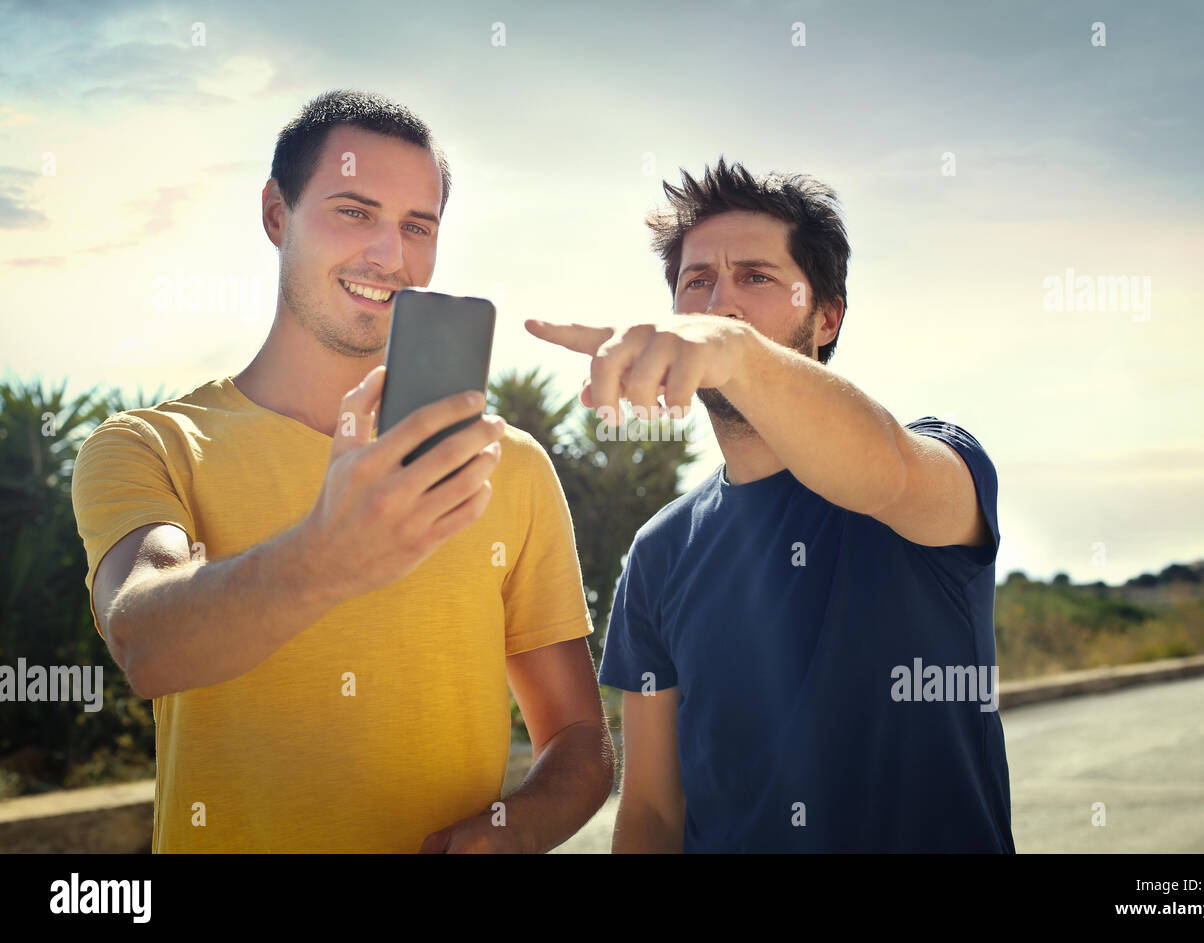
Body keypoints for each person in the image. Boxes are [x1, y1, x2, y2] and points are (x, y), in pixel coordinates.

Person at [70, 89, 613, 853]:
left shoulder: (505, 464)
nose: (391, 256)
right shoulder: (152, 445)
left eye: (417, 226)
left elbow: (582, 738)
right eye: (355, 211)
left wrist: (516, 827)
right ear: (275, 214)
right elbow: (145, 640)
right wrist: (328, 553)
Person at [526, 158, 1015, 852]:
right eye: (698, 282)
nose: (720, 302)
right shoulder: (659, 552)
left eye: (756, 277)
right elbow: (653, 815)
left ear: (826, 315)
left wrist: (736, 350)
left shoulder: (936, 465)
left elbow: (886, 473)